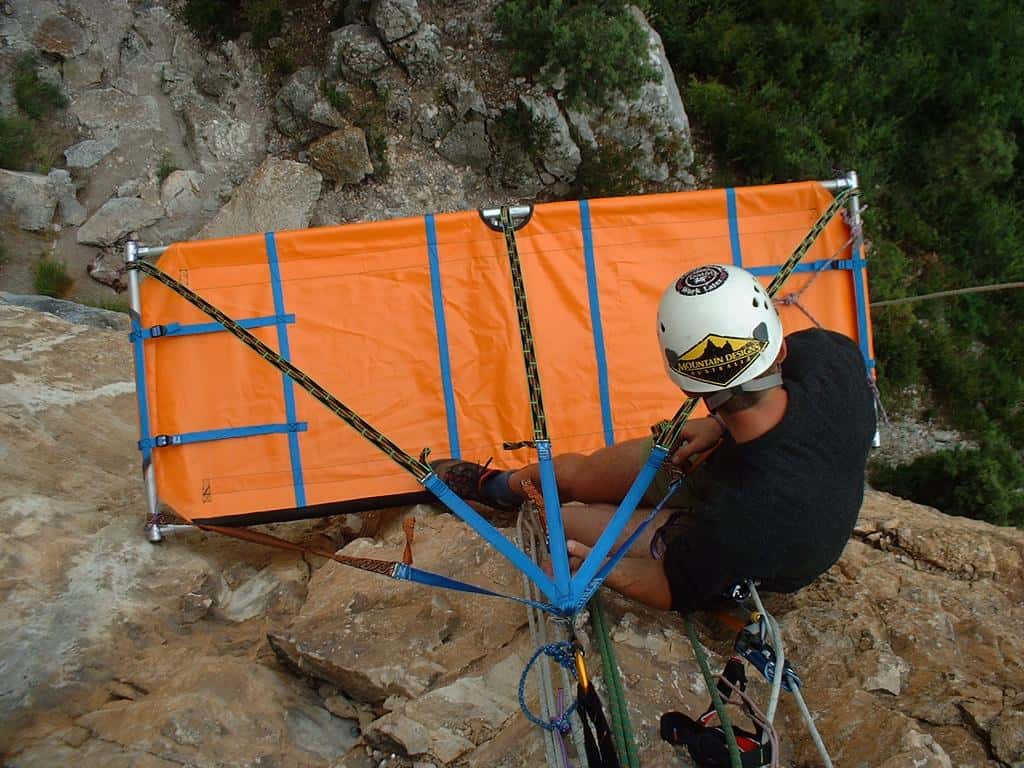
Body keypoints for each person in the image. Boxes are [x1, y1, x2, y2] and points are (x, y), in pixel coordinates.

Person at [432, 264, 877, 615]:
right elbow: (769, 392)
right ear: (778, 349)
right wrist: (719, 426)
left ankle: (492, 488)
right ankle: (497, 487)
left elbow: (670, 587)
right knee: (577, 477)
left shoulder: (743, 526)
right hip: (732, 467)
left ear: (690, 390)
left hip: (740, 530)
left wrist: (598, 569)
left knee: (563, 518)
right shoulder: (831, 357)